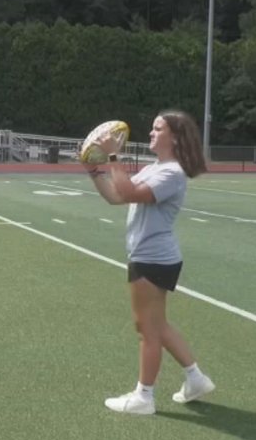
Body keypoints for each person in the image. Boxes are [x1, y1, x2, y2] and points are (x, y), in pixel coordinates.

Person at [83, 110, 214, 415]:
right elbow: (117, 197)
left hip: (153, 258)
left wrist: (113, 158)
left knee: (147, 330)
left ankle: (144, 396)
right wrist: (94, 171)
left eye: (158, 129)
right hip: (151, 256)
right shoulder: (156, 168)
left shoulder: (172, 173)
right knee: (157, 324)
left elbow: (129, 192)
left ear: (175, 138)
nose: (151, 134)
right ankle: (195, 379)